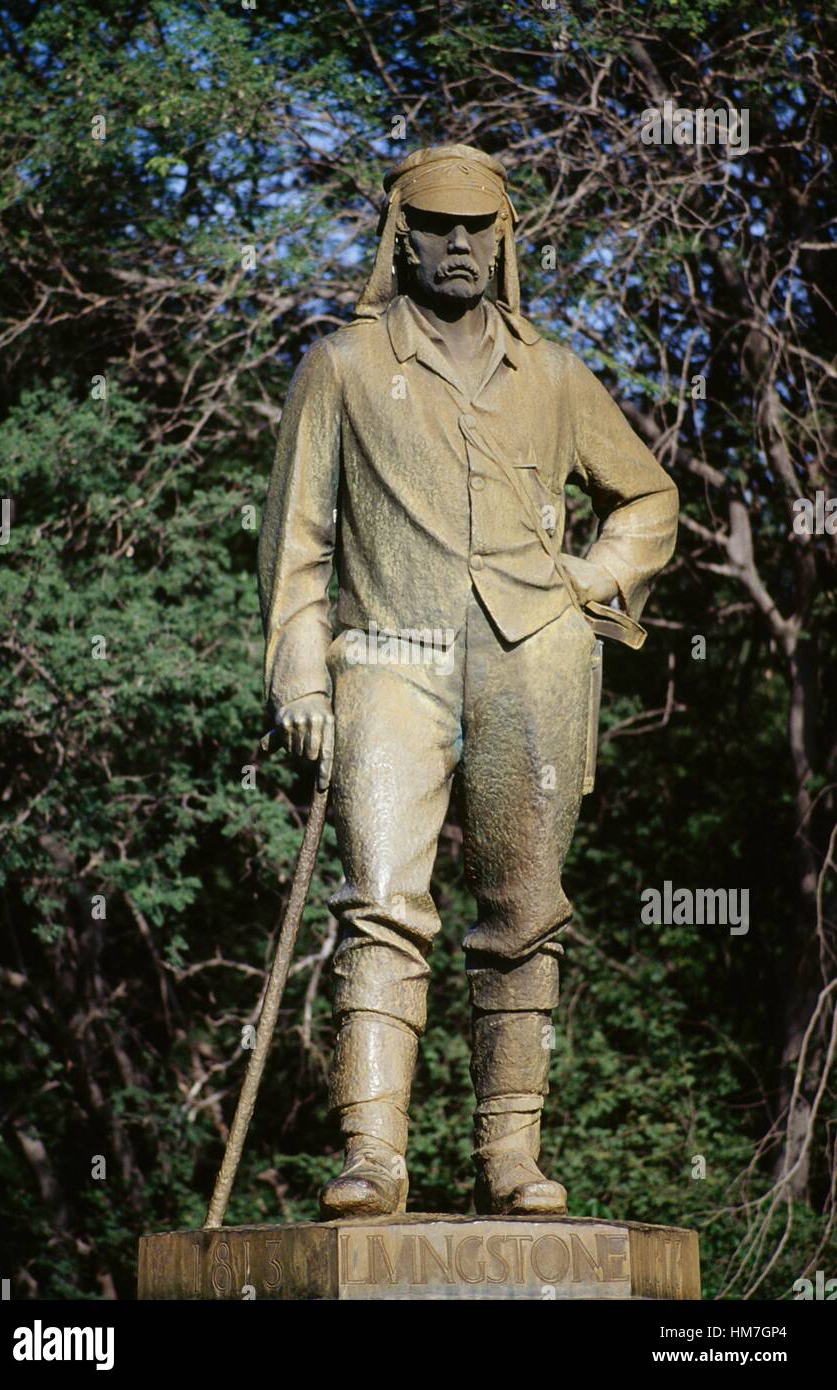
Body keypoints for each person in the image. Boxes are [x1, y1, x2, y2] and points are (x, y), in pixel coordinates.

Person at [257, 144, 678, 1218]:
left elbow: (648, 499)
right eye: (437, 224)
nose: (457, 244)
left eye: (476, 226)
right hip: (387, 656)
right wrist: (301, 675)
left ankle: (511, 1159)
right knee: (383, 906)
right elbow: (298, 546)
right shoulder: (342, 367)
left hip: (532, 659)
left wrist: (589, 581)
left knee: (526, 916)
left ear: (504, 237)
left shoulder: (553, 374)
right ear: (401, 230)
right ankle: (373, 1156)